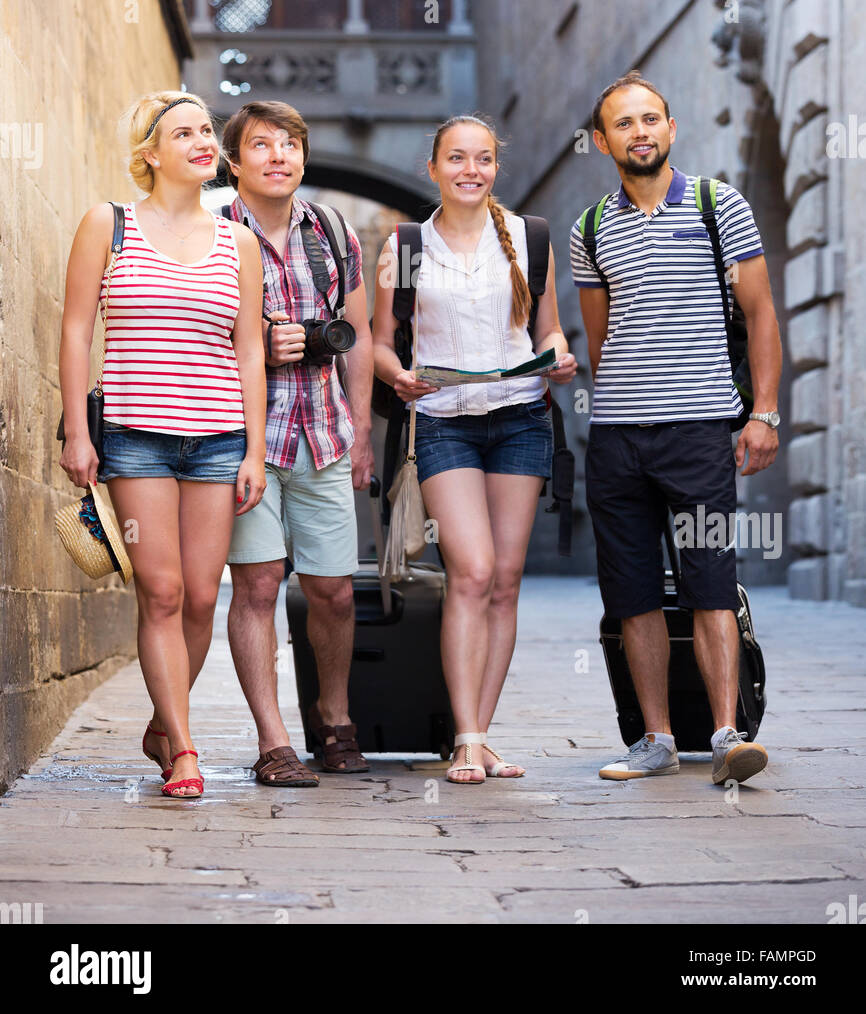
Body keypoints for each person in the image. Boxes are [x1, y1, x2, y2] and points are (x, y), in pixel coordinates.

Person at [571, 70, 782, 785]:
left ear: (671, 128)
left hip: (698, 434)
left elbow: (760, 315)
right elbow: (601, 345)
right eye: (624, 123)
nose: (640, 132)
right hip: (618, 439)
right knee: (631, 593)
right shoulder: (590, 230)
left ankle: (726, 736)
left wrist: (763, 413)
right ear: (603, 141)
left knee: (711, 583)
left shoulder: (720, 206)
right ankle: (656, 740)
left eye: (651, 119)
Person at [58, 91, 267, 799]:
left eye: (207, 130)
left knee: (204, 599)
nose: (204, 141)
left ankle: (161, 720)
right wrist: (78, 432)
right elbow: (77, 329)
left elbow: (249, 354)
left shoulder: (238, 240)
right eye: (184, 133)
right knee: (163, 591)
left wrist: (254, 449)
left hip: (216, 441)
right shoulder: (107, 225)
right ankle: (183, 748)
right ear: (150, 152)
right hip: (136, 439)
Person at [372, 114, 577, 783]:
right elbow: (378, 341)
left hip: (520, 419)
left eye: (483, 159)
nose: (470, 170)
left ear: (495, 167)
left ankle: (481, 732)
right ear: (433, 168)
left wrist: (559, 360)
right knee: (474, 570)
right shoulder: (405, 245)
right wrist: (395, 374)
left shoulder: (529, 239)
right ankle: (463, 736)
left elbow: (548, 335)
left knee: (507, 579)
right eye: (456, 159)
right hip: (442, 420)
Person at [221, 102, 375, 786]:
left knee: (335, 590)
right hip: (244, 439)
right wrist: (255, 343)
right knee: (257, 585)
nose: (279, 155)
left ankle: (332, 716)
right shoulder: (212, 231)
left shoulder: (334, 231)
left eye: (291, 144)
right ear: (235, 163)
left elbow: (360, 335)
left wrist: (363, 430)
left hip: (324, 430)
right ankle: (273, 740)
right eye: (262, 145)